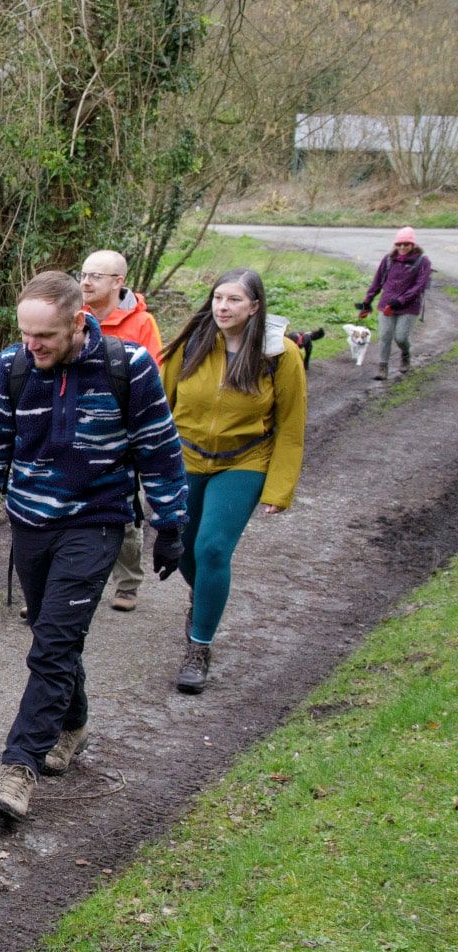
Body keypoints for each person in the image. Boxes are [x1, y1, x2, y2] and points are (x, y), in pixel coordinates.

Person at [0, 273, 187, 825]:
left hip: (97, 520)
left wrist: (171, 524)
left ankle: (19, 766)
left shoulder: (128, 367)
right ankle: (73, 723)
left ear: (78, 323)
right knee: (52, 634)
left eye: (44, 336)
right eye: (25, 333)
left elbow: (158, 447)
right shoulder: (10, 369)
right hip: (31, 522)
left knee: (54, 644)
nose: (32, 345)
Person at [162, 269, 308, 693]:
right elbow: (159, 408)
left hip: (244, 460)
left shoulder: (280, 354)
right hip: (185, 456)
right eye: (218, 298)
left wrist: (279, 488)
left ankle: (198, 647)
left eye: (234, 300)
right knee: (183, 549)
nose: (223, 307)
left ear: (255, 307)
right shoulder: (191, 344)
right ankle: (204, 597)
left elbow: (291, 426)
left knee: (212, 549)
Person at [81, 249, 166, 613]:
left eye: (95, 276)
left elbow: (152, 379)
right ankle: (65, 588)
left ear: (118, 282)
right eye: (83, 275)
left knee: (126, 511)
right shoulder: (74, 316)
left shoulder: (142, 324)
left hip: (123, 432)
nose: (85, 282)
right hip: (77, 430)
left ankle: (128, 583)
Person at [359, 226, 433, 381]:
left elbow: (419, 286)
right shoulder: (388, 259)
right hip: (386, 305)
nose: (402, 247)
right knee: (385, 336)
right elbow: (377, 282)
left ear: (413, 244)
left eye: (406, 244)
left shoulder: (422, 261)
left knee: (401, 337)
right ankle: (382, 368)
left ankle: (405, 354)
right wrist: (367, 302)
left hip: (409, 306)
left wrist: (400, 301)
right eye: (399, 244)